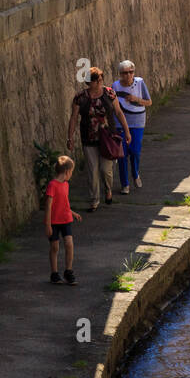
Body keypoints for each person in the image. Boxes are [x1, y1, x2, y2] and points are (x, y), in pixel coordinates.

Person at [67, 67, 131, 211]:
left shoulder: (109, 93)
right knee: (93, 170)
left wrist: (127, 131)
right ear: (90, 82)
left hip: (107, 137)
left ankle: (108, 189)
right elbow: (73, 118)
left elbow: (119, 112)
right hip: (88, 138)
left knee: (106, 170)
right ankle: (94, 200)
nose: (100, 83)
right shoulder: (80, 97)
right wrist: (69, 138)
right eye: (97, 81)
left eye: (101, 80)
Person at [111, 60, 152, 194]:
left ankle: (135, 173)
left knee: (134, 151)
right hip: (120, 123)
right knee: (122, 154)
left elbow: (149, 102)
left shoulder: (139, 82)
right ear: (120, 74)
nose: (128, 75)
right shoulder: (115, 86)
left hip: (137, 122)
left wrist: (136, 99)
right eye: (125, 73)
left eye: (131, 72)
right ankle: (125, 184)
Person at [44, 155, 81, 285]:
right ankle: (54, 273)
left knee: (69, 244)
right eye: (71, 171)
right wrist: (48, 224)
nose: (71, 174)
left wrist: (73, 213)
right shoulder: (52, 185)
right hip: (54, 221)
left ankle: (68, 271)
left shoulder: (66, 185)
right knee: (54, 247)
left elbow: (64, 203)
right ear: (67, 171)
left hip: (66, 219)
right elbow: (48, 205)